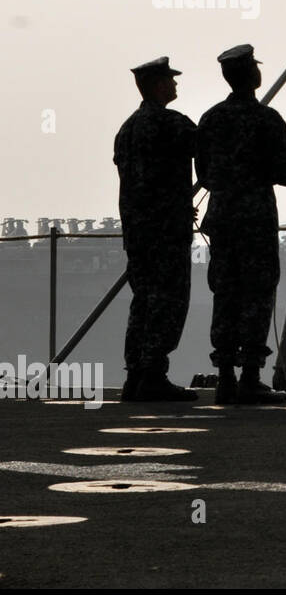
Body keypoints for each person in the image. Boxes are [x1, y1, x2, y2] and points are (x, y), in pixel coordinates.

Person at [196, 45, 286, 404]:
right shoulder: (267, 120)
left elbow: (205, 176)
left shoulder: (209, 120)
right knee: (257, 294)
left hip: (222, 220)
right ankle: (251, 377)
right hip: (256, 220)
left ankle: (225, 377)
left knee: (224, 294)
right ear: (252, 75)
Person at [113, 56, 198, 401]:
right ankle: (153, 374)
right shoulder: (172, 124)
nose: (176, 85)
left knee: (143, 301)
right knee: (168, 300)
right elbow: (211, 154)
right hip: (167, 230)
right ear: (159, 85)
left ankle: (135, 375)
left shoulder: (127, 129)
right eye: (171, 80)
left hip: (137, 231)